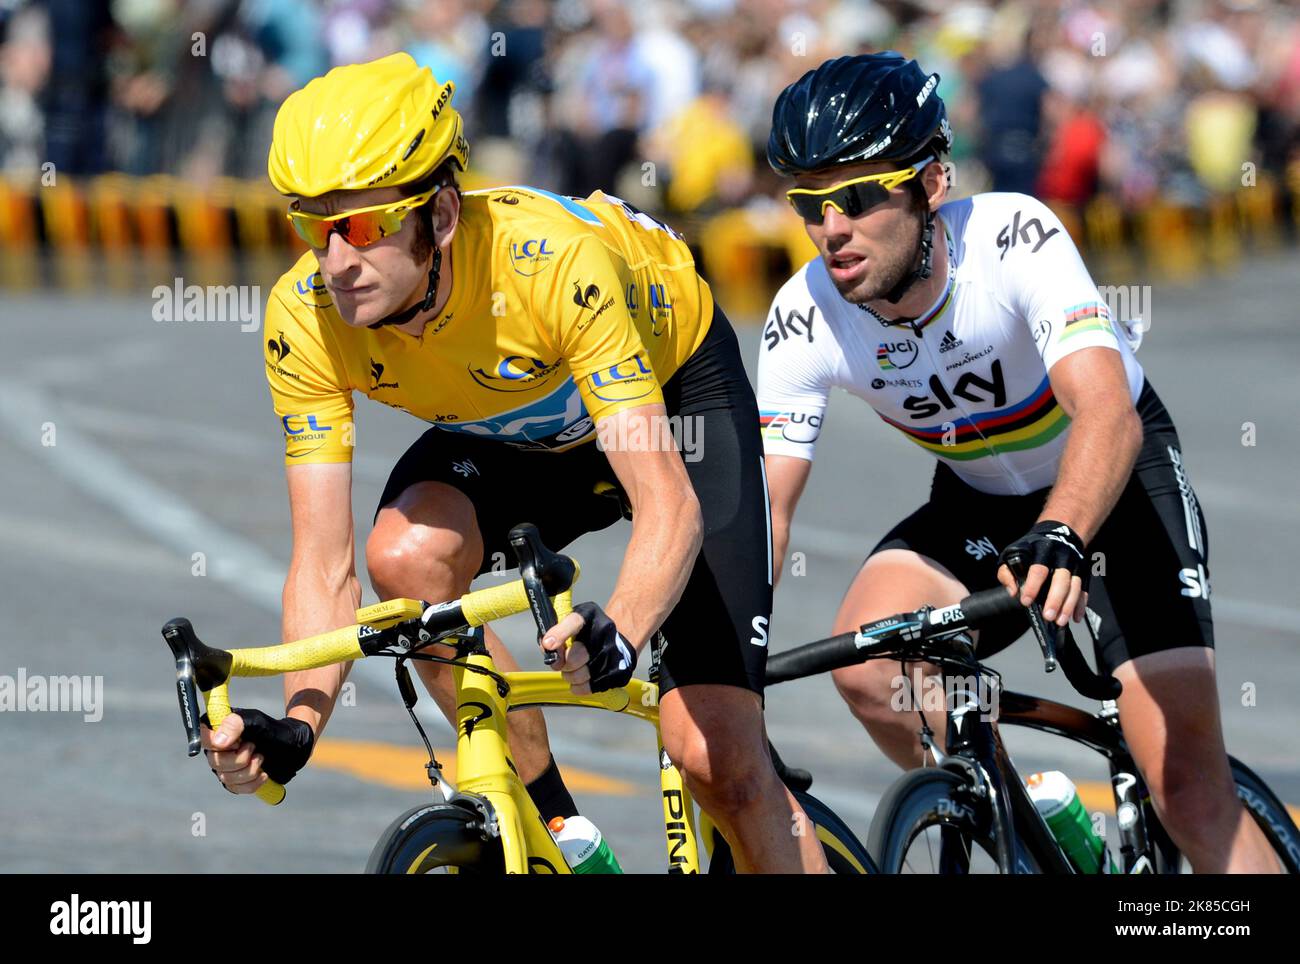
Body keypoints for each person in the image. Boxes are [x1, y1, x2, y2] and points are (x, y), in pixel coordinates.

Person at [202, 52, 826, 873]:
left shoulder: (554, 266)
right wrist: (296, 726)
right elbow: (324, 564)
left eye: (361, 227)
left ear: (444, 216)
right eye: (310, 227)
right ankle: (559, 829)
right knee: (406, 559)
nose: (335, 261)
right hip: (514, 428)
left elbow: (669, 507)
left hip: (671, 401)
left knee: (717, 759)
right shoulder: (306, 318)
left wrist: (625, 633)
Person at [758, 52, 1279, 872]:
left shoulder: (1013, 238)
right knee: (866, 667)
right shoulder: (805, 315)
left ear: (930, 184)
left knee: (1189, 794)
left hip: (1112, 485)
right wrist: (723, 637)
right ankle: (1014, 815)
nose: (832, 229)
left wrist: (1065, 530)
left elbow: (1106, 411)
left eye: (857, 199)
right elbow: (769, 509)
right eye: (809, 204)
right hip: (976, 501)